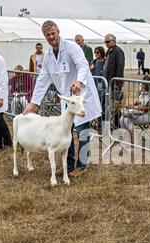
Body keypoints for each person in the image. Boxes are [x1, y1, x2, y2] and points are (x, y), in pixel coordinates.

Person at [23, 20, 102, 177]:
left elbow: (82, 65)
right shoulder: (49, 56)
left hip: (81, 96)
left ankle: (82, 165)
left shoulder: (72, 47)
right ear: (45, 37)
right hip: (68, 99)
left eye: (53, 33)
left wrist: (79, 81)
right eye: (48, 35)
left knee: (82, 131)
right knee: (66, 131)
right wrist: (34, 102)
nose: (51, 37)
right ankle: (70, 165)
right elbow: (43, 79)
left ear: (58, 32)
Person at [120, 74, 150, 145]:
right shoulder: (142, 86)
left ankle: (132, 142)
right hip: (141, 111)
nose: (144, 87)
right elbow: (139, 101)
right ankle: (126, 139)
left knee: (128, 120)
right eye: (144, 85)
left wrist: (134, 107)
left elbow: (148, 108)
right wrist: (132, 105)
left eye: (147, 86)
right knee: (122, 119)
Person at [102, 33, 125, 127]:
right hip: (108, 82)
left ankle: (117, 126)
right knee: (111, 105)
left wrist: (117, 83)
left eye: (108, 41)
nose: (106, 43)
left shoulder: (118, 51)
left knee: (116, 106)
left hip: (115, 83)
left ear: (113, 41)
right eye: (105, 42)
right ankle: (114, 125)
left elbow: (120, 67)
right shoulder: (109, 51)